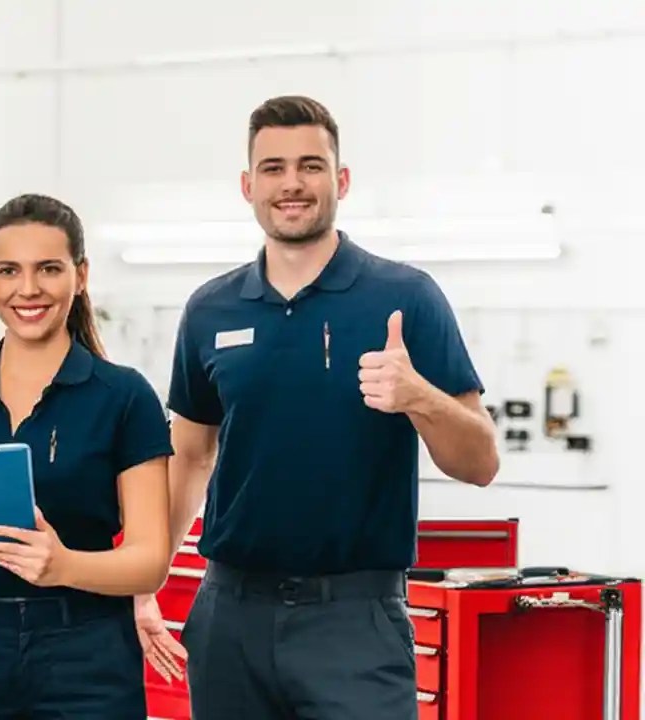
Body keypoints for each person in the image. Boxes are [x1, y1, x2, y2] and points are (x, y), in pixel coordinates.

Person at [135, 95, 501, 719]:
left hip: (355, 621)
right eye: (273, 168)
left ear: (342, 180)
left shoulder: (406, 297)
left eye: (311, 165)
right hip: (231, 617)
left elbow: (480, 462)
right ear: (248, 185)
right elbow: (191, 458)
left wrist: (419, 398)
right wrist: (149, 580)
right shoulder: (210, 310)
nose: (292, 183)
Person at [0, 193, 175, 719]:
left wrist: (63, 565)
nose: (27, 289)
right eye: (8, 270)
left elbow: (150, 560)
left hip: (86, 653)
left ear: (80, 275)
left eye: (48, 269)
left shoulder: (124, 397)